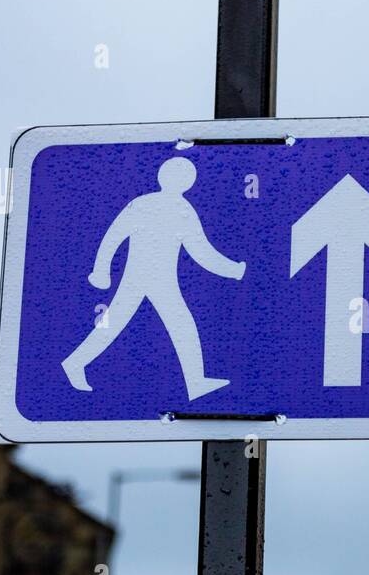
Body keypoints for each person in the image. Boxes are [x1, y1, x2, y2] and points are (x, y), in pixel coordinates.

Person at [61, 156, 244, 400]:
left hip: (155, 278)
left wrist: (232, 269)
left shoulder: (161, 207)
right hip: (146, 277)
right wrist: (101, 269)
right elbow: (115, 235)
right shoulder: (166, 207)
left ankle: (195, 382)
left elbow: (200, 251)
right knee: (170, 324)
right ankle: (75, 363)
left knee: (158, 325)